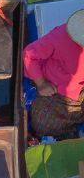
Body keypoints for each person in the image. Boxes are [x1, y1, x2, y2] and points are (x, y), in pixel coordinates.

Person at [23, 8, 84, 138]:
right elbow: (29, 55)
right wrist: (41, 84)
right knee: (42, 124)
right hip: (58, 90)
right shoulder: (61, 36)